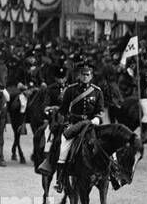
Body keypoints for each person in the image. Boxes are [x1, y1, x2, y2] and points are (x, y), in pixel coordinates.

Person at [38, 58, 105, 193]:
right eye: (83, 74)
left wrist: (97, 118)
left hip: (91, 125)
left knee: (105, 147)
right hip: (74, 125)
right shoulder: (71, 90)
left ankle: (110, 174)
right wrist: (63, 120)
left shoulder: (97, 91)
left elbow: (100, 110)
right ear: (79, 75)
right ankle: (60, 180)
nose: (85, 77)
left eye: (88, 75)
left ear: (91, 76)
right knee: (63, 148)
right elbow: (63, 110)